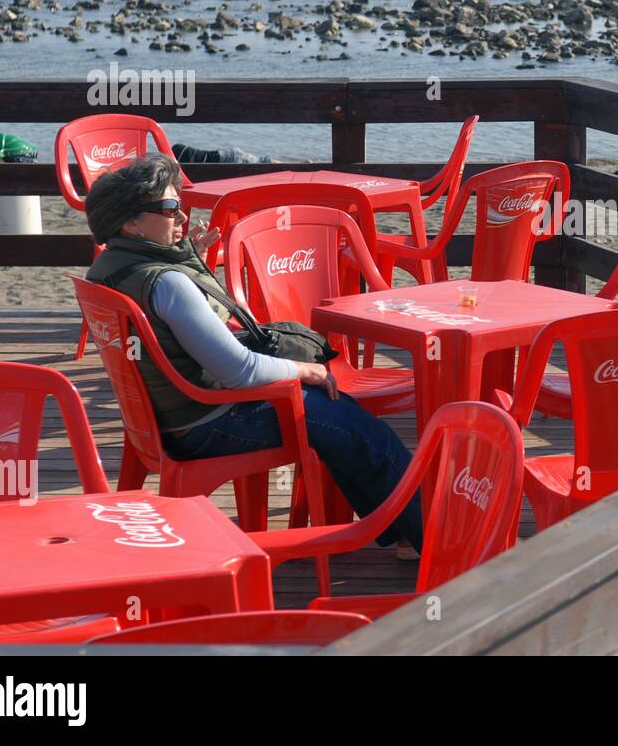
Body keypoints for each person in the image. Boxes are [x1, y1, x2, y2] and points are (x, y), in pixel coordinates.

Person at [83, 153, 422, 555]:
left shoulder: (107, 270)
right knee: (362, 431)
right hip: (207, 422)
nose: (182, 217)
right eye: (170, 208)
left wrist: (188, 253)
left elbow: (187, 328)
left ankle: (403, 534)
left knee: (341, 425)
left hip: (165, 421)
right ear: (131, 222)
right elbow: (239, 371)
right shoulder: (167, 283)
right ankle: (432, 537)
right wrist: (305, 370)